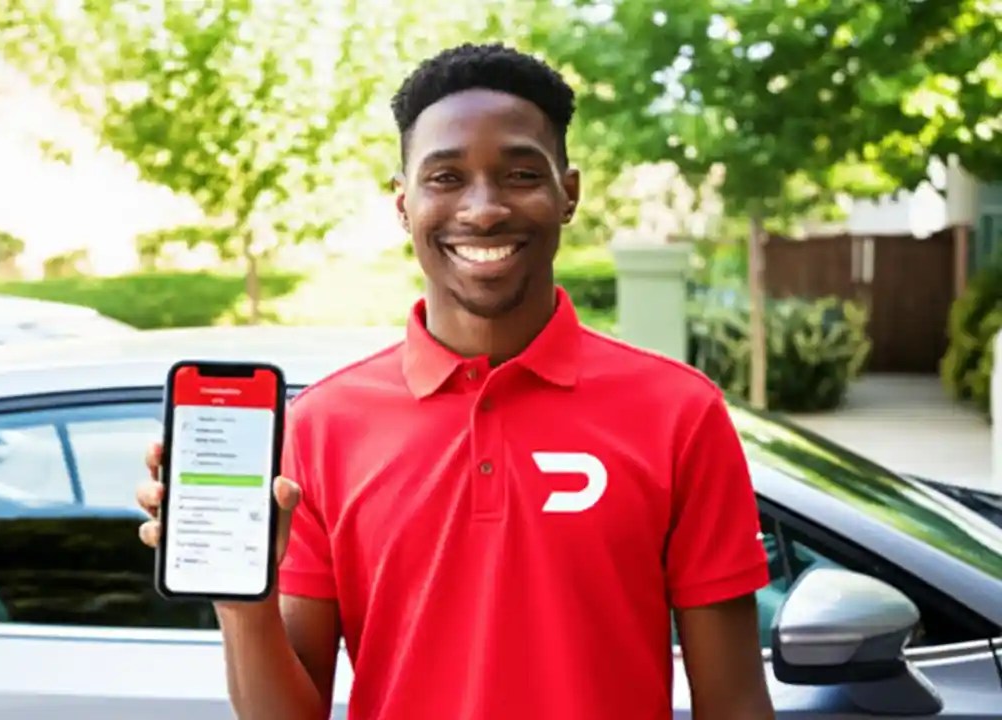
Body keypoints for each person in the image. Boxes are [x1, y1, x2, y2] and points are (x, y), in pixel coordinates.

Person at [137, 42, 774, 720]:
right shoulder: (321, 427)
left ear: (570, 194)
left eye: (521, 173)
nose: (484, 208)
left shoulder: (679, 413)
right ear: (403, 203)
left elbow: (734, 702)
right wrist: (244, 604)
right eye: (446, 178)